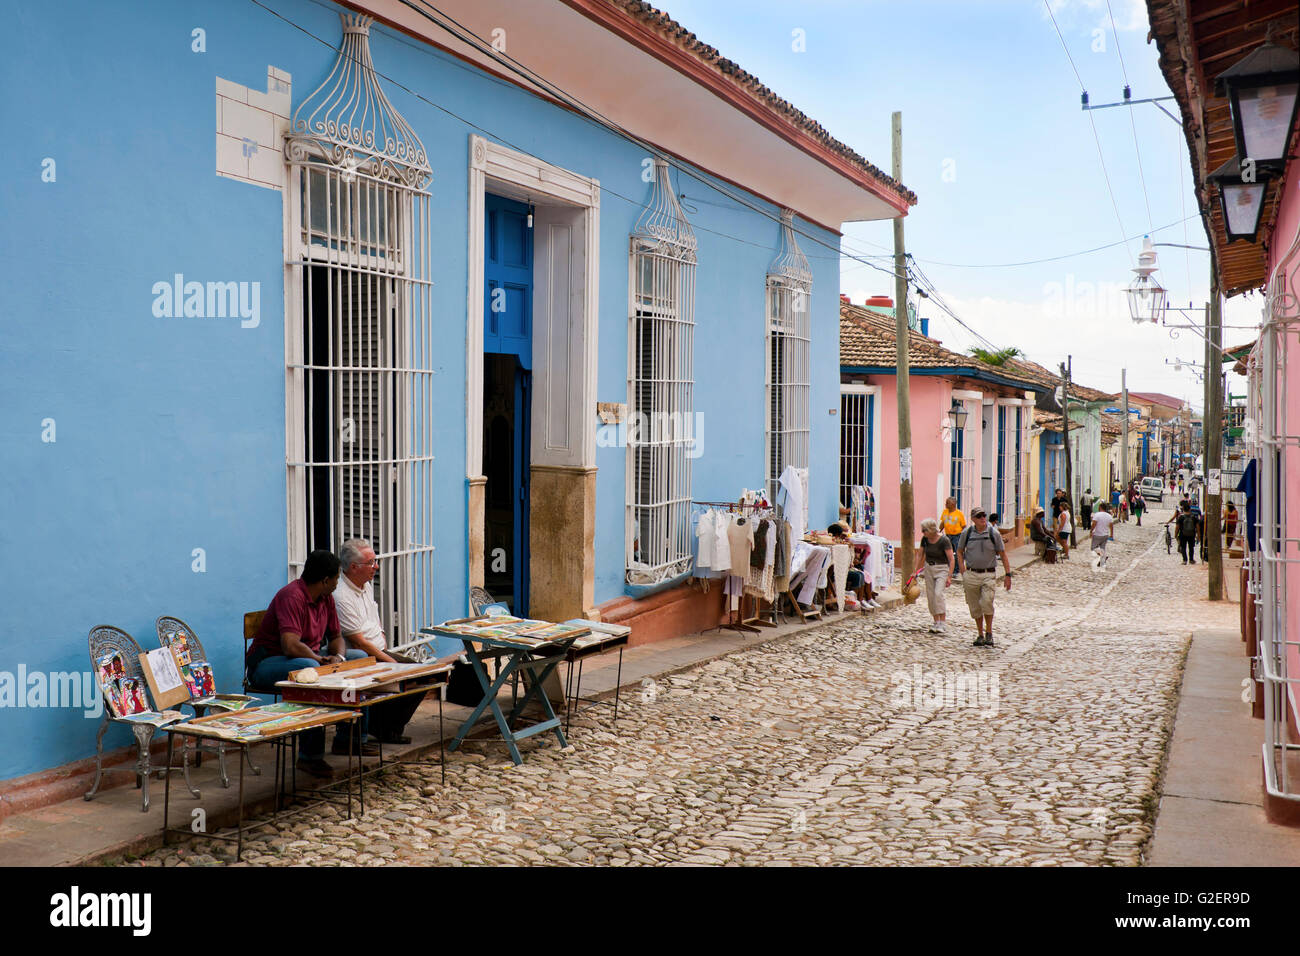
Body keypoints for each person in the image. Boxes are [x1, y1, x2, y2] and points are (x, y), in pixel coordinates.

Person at [245, 550, 375, 778]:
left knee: (360, 659)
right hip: (268, 664)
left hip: (311, 656)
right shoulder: (292, 596)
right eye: (336, 578)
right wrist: (319, 660)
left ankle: (349, 739)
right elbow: (290, 645)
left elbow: (336, 637)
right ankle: (310, 757)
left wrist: (339, 658)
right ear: (326, 580)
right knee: (310, 670)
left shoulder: (326, 598)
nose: (338, 582)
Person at [334, 538, 429, 746]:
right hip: (362, 657)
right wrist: (390, 661)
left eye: (375, 561)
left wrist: (384, 640)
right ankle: (384, 728)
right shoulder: (341, 595)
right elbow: (358, 642)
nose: (376, 566)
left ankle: (387, 727)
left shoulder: (365, 585)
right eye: (371, 562)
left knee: (423, 676)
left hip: (377, 650)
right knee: (410, 675)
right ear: (353, 567)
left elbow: (374, 618)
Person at [955, 507, 1012, 647]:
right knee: (974, 606)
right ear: (973, 519)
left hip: (988, 573)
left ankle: (989, 632)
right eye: (979, 516)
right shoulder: (967, 533)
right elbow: (960, 551)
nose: (982, 518)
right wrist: (963, 570)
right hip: (971, 573)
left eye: (984, 515)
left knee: (987, 602)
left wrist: (1008, 574)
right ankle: (980, 634)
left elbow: (1003, 554)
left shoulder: (994, 533)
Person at [915, 518, 954, 633]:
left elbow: (951, 559)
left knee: (938, 594)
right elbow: (920, 554)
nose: (923, 533)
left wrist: (949, 576)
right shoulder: (925, 540)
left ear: (931, 530)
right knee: (931, 595)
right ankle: (936, 621)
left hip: (942, 568)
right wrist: (915, 570)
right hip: (929, 568)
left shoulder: (944, 540)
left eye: (924, 530)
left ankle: (943, 621)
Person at [939, 497, 966, 580]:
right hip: (948, 535)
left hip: (957, 535)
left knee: (957, 553)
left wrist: (963, 537)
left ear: (953, 504)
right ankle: (948, 569)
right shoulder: (945, 512)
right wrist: (939, 531)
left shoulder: (959, 514)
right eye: (946, 502)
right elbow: (943, 523)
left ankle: (956, 571)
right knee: (948, 553)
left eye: (947, 503)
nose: (945, 504)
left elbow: (964, 526)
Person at [1090, 502, 1115, 567]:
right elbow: (1111, 526)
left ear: (1100, 507)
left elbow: (1094, 523)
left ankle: (1103, 556)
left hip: (1097, 534)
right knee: (1102, 548)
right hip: (1105, 534)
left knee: (1093, 548)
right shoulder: (1109, 516)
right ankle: (1102, 562)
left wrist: (1091, 531)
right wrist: (1111, 534)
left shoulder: (1097, 514)